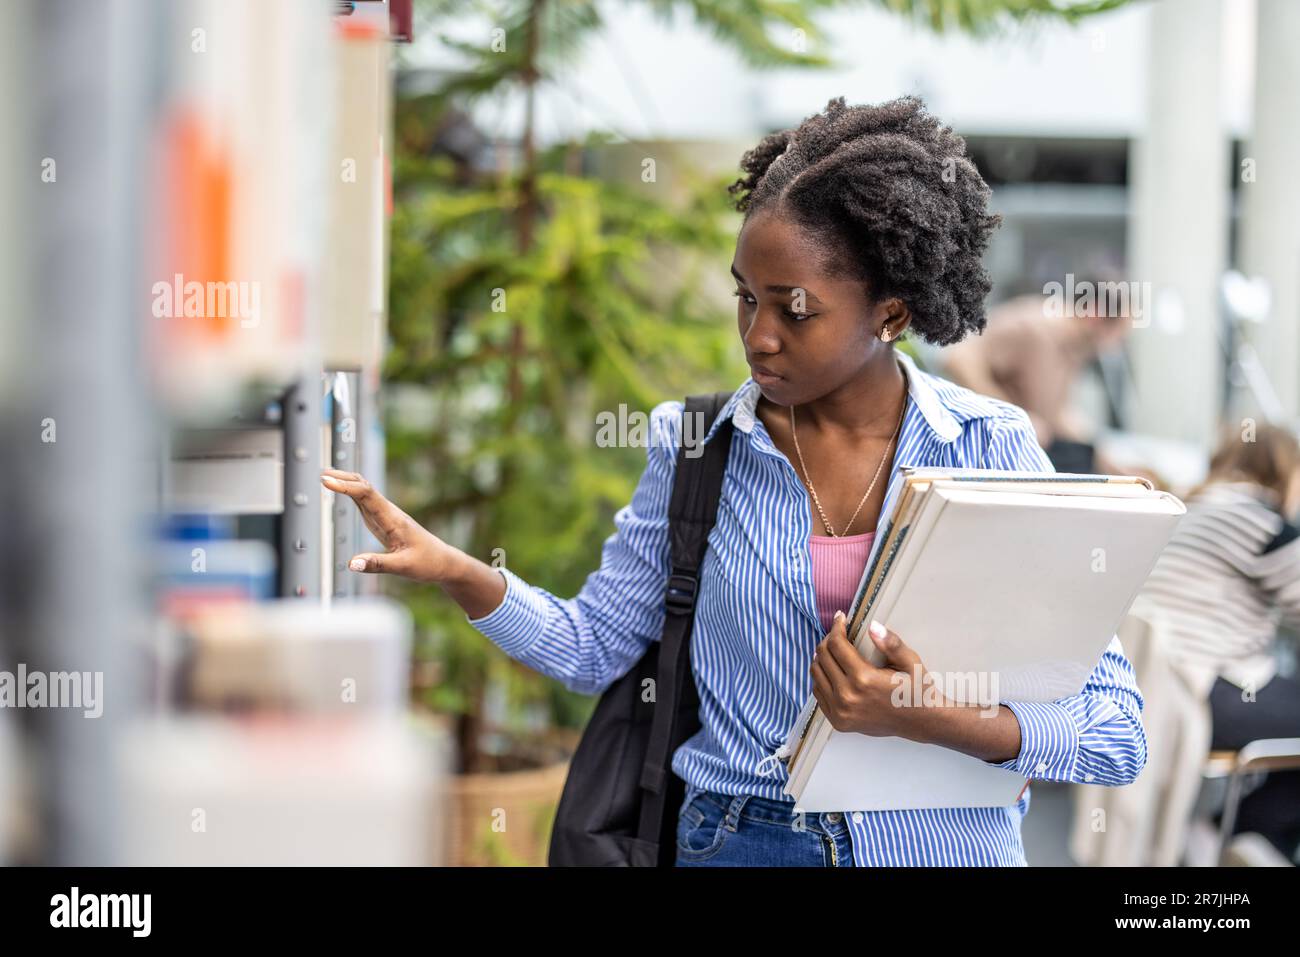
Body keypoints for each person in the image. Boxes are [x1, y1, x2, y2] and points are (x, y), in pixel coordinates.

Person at [323, 95, 1147, 867]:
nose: (758, 337)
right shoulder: (696, 445)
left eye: (795, 310)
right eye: (745, 298)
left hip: (940, 842)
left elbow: (1116, 732)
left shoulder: (987, 444)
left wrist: (939, 720)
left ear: (891, 314)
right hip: (741, 839)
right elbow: (591, 647)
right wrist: (461, 573)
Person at [1138, 421, 1300, 861]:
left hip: (1150, 692)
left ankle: (1232, 836)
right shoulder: (1264, 525)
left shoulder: (1188, 507)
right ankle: (1251, 839)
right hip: (1207, 693)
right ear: (1284, 473)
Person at [939, 279, 1132, 474]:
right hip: (981, 451)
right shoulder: (1031, 325)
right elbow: (957, 358)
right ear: (1096, 314)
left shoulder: (1074, 348)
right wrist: (1012, 417)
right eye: (1118, 333)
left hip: (1020, 454)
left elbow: (1057, 414)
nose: (1115, 345)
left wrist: (1105, 459)